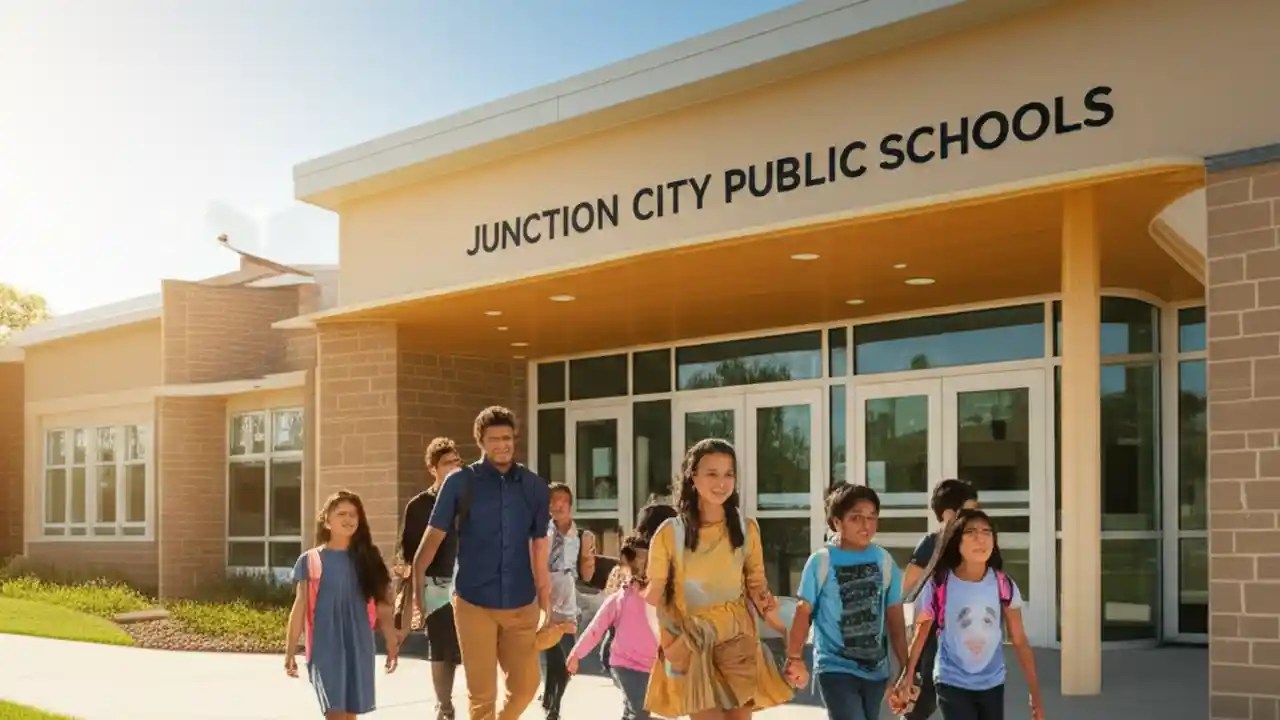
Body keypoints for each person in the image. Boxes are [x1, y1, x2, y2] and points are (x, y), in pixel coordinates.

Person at [406, 406, 552, 720]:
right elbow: (432, 538)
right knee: (482, 695)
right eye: (494, 439)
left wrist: (546, 597)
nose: (503, 444)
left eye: (507, 438)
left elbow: (539, 545)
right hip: (473, 602)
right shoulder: (460, 482)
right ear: (481, 443)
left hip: (521, 601)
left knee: (527, 686)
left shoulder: (534, 486)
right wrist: (417, 590)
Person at [643, 438, 794, 720]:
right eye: (712, 473)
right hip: (691, 644)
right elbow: (653, 596)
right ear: (693, 476)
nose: (721, 483)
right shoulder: (670, 532)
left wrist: (787, 637)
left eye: (728, 474)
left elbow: (757, 586)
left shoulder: (747, 529)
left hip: (737, 641)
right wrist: (666, 645)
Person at [890, 510, 1045, 720]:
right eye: (970, 532)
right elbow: (921, 633)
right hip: (950, 680)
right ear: (957, 541)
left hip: (992, 682)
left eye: (986, 532)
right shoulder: (939, 583)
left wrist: (1034, 693)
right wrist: (907, 677)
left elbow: (1019, 639)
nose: (980, 538)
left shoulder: (1003, 584)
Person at [784, 483, 907, 720]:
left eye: (872, 517)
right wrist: (794, 658)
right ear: (837, 522)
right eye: (856, 518)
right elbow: (803, 611)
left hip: (876, 670)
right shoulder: (821, 561)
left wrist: (905, 667)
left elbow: (895, 617)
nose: (866, 524)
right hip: (835, 667)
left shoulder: (884, 560)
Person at [284, 490, 400, 720]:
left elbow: (383, 605)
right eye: (341, 514)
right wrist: (290, 651)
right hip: (324, 643)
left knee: (349, 713)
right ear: (327, 520)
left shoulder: (368, 557)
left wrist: (391, 641)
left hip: (358, 642)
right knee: (334, 711)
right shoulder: (311, 560)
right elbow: (299, 607)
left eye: (354, 514)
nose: (348, 519)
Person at [395, 437, 464, 720]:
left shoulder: (468, 499)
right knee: (440, 645)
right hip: (434, 584)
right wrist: (411, 593)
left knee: (467, 647)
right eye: (447, 463)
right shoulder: (419, 506)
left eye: (457, 462)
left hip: (468, 583)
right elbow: (406, 553)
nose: (454, 467)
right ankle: (444, 705)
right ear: (432, 469)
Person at [901, 479, 979, 720]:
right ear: (948, 515)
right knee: (928, 694)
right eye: (969, 511)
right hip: (934, 632)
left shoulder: (974, 545)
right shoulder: (931, 544)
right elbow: (908, 586)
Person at [567, 536, 660, 720]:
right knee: (639, 712)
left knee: (632, 711)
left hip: (650, 667)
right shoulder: (620, 600)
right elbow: (596, 628)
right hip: (625, 665)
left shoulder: (660, 597)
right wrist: (576, 654)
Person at [539, 482, 598, 720]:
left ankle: (554, 703)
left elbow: (587, 576)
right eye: (553, 500)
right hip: (545, 595)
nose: (557, 505)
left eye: (562, 500)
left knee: (566, 654)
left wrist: (589, 558)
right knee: (551, 652)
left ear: (570, 505)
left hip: (568, 596)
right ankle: (550, 699)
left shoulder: (582, 536)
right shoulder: (541, 532)